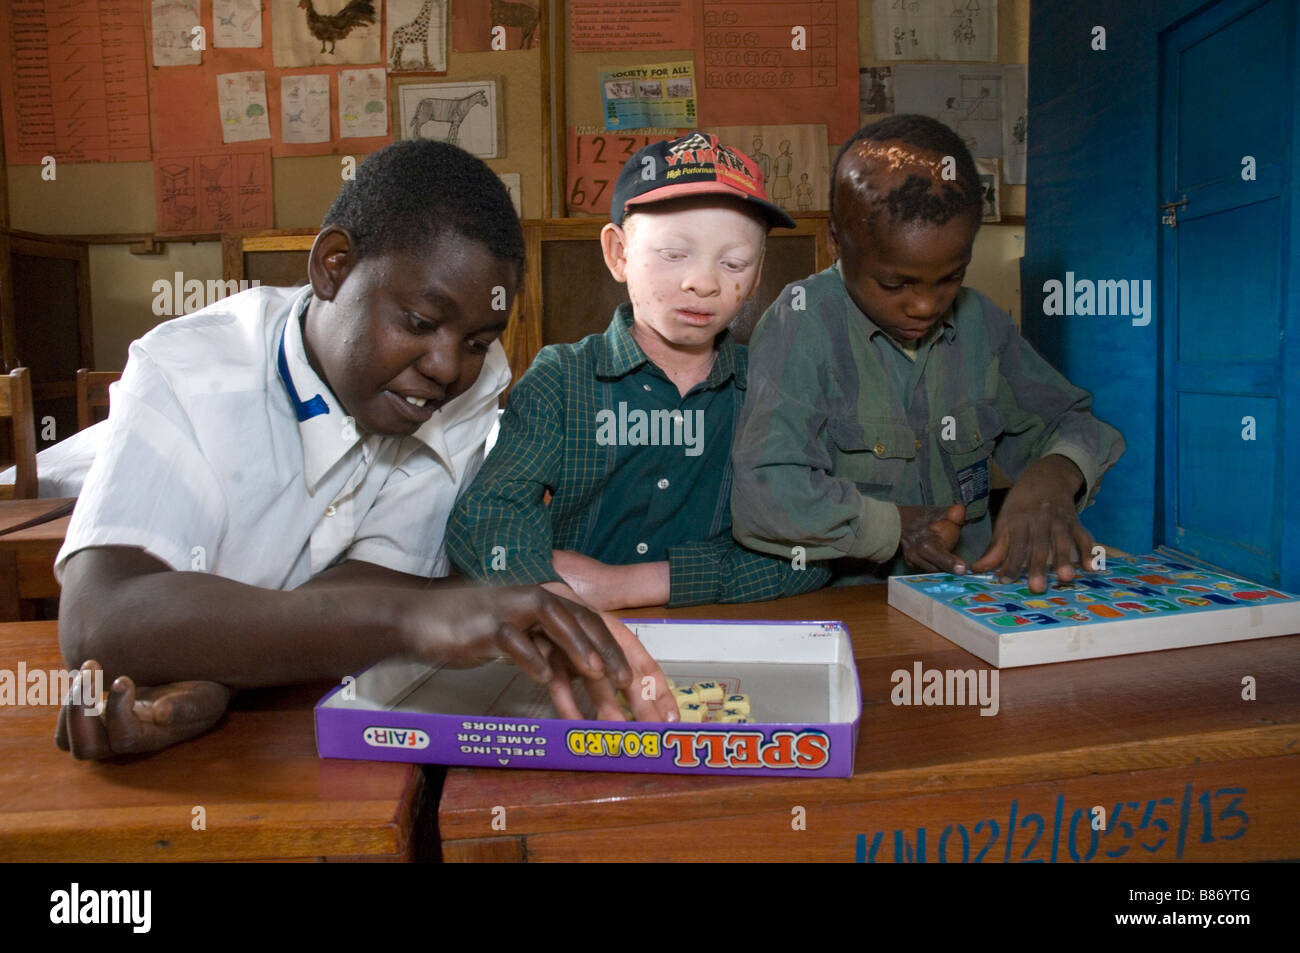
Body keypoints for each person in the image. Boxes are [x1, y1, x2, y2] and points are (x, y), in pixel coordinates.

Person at [55, 140, 675, 760]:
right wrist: (412, 619)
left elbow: (378, 580)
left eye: (477, 341)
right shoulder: (184, 370)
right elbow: (101, 618)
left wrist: (223, 669)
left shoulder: (470, 385)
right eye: (418, 321)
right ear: (333, 265)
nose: (445, 367)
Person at [445, 132, 829, 710]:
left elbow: (814, 552)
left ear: (756, 275)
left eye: (733, 262)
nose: (703, 282)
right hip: (574, 651)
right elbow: (484, 518)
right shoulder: (563, 379)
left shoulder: (770, 390)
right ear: (618, 253)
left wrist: (626, 583)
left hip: (724, 649)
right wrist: (558, 600)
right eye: (675, 254)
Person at [731, 115, 1125, 594]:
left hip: (974, 599)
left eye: (950, 278)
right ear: (837, 240)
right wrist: (896, 526)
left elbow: (1073, 421)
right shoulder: (802, 322)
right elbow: (766, 491)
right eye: (894, 283)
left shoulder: (980, 322)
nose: (924, 305)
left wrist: (1055, 476)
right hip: (860, 606)